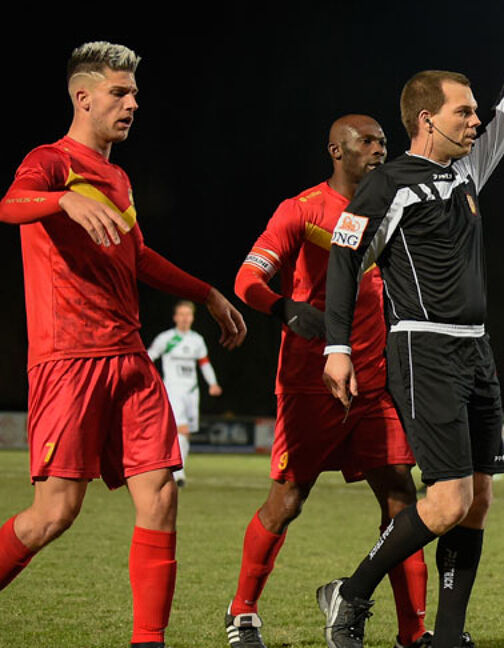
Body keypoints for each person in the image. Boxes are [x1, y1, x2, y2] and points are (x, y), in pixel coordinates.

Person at [316, 0, 504, 648]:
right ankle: (351, 591)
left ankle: (447, 638)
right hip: (422, 348)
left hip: (475, 350)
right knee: (448, 500)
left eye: (475, 112)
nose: (477, 120)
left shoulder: (464, 173)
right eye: (464, 112)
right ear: (427, 118)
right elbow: (344, 256)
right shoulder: (389, 184)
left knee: (478, 500)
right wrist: (336, 347)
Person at [0, 41, 247, 648]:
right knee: (54, 513)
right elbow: (9, 206)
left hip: (130, 358)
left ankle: (148, 641)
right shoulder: (51, 161)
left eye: (134, 93)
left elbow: (136, 256)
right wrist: (63, 198)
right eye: (120, 92)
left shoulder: (118, 175)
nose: (133, 102)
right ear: (83, 97)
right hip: (69, 359)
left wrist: (208, 293)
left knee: (161, 494)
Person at [226, 115, 429, 648]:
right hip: (310, 383)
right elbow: (247, 278)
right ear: (336, 151)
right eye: (367, 142)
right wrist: (284, 307)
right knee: (288, 500)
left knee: (401, 498)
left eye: (384, 142)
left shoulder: (396, 207)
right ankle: (242, 611)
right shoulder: (302, 210)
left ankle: (415, 632)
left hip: (375, 382)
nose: (379, 150)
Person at [147, 299, 222, 487]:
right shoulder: (165, 338)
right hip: (173, 389)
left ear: (192, 318)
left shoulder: (196, 340)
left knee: (185, 434)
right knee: (182, 429)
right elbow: (149, 357)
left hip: (192, 391)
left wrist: (212, 383)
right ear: (175, 317)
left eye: (188, 315)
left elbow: (204, 363)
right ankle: (178, 473)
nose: (184, 318)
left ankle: (175, 468)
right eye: (181, 314)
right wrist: (150, 380)